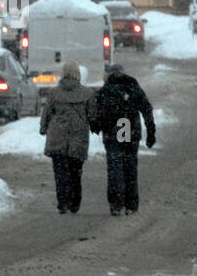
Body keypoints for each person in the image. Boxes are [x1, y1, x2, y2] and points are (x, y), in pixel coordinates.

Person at [89, 63, 156, 215]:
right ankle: (131, 205)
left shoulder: (106, 89)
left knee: (115, 167)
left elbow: (96, 111)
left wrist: (96, 126)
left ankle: (116, 204)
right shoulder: (133, 87)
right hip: (131, 131)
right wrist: (151, 131)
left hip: (113, 131)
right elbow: (146, 108)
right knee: (130, 167)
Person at [39, 60, 94, 214]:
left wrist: (43, 129)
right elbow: (93, 115)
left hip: (58, 136)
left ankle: (62, 202)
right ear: (78, 74)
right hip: (78, 137)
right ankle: (75, 202)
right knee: (75, 172)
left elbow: (47, 113)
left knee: (60, 173)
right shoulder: (87, 93)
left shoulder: (54, 93)